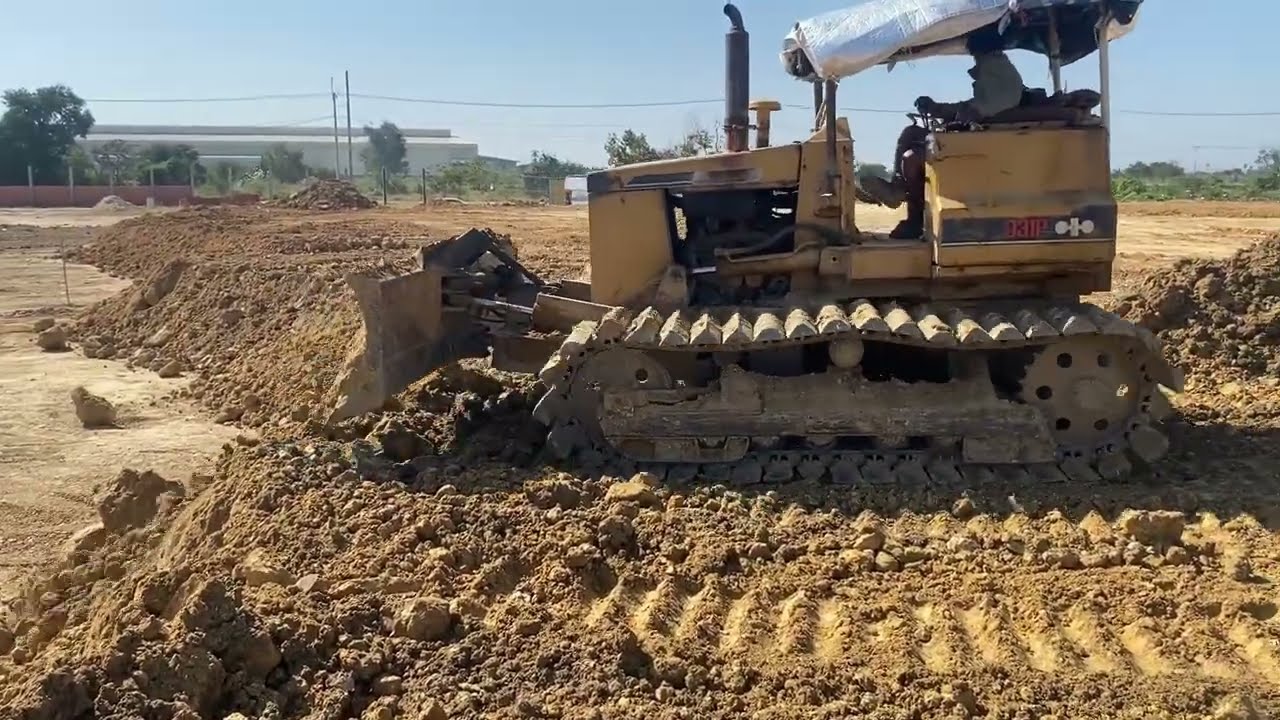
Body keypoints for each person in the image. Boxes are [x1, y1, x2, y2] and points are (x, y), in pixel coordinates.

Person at [861, 48, 1025, 238]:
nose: (976, 81)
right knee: (910, 133)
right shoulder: (997, 83)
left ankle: (915, 222)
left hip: (979, 147)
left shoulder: (1001, 90)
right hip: (973, 140)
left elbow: (969, 113)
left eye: (978, 73)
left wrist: (943, 111)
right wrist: (935, 107)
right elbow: (963, 109)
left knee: (911, 159)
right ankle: (897, 187)